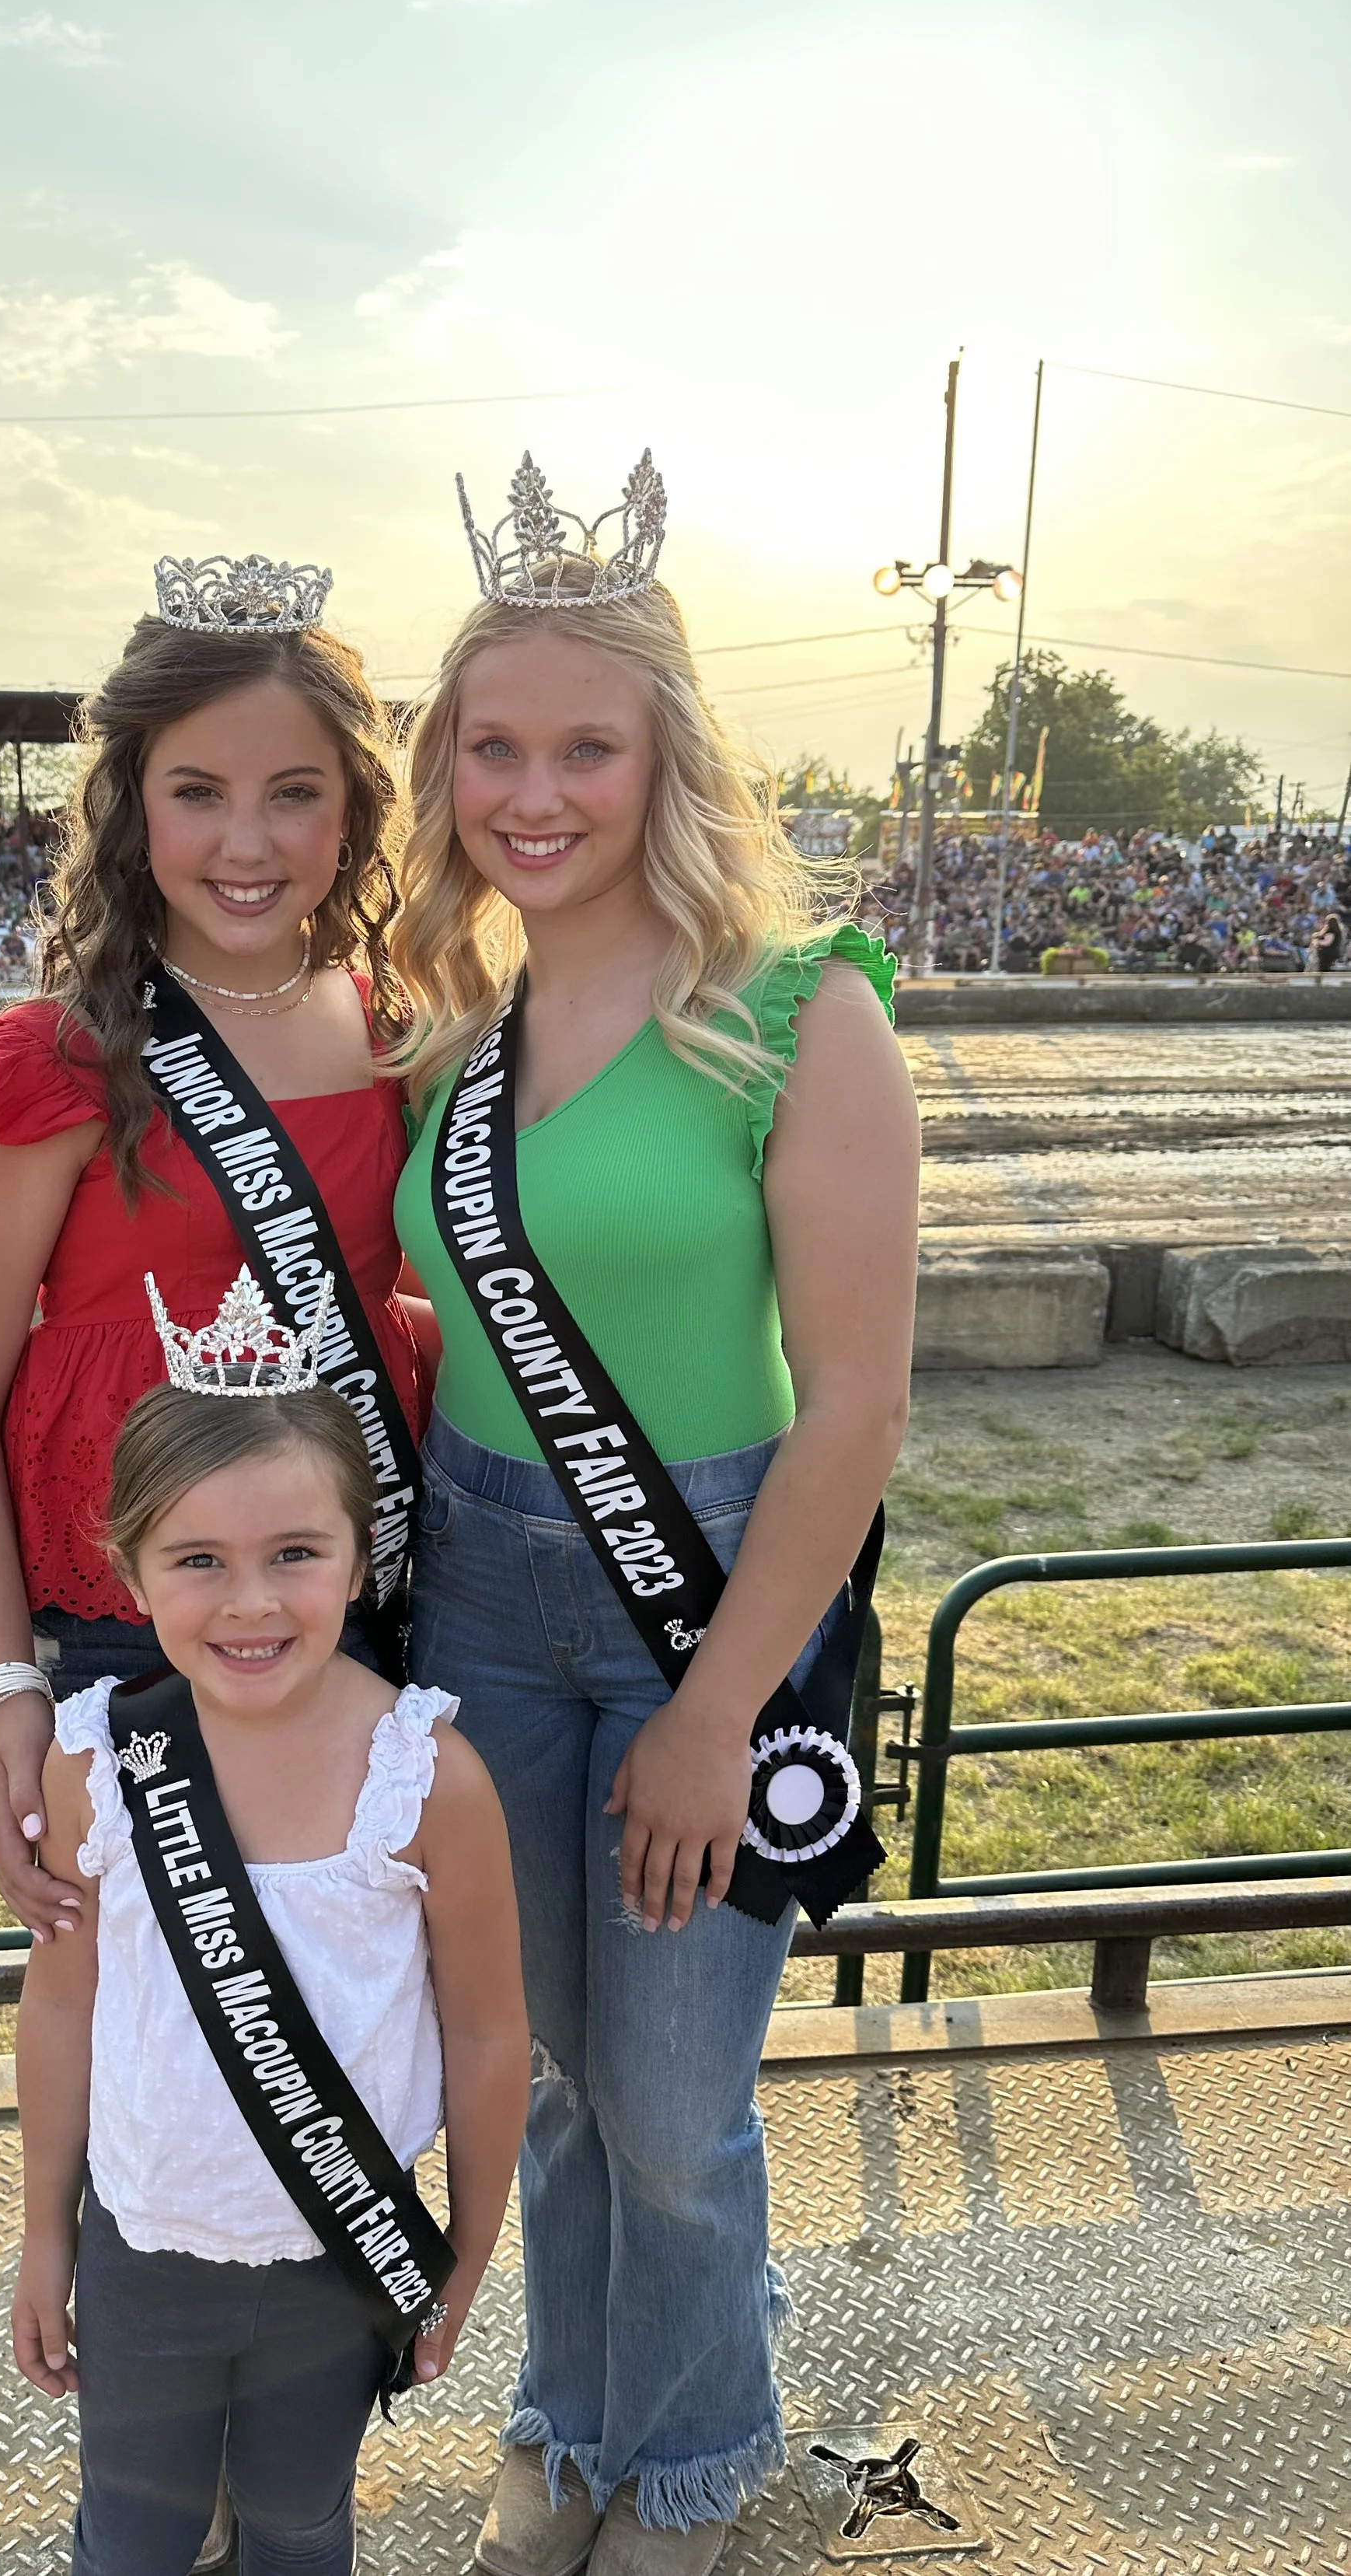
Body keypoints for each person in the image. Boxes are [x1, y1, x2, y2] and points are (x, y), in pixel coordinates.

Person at [387, 456, 920, 2574]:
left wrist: (716, 1706)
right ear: (443, 769)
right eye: (491, 746)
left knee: (683, 2108)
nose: (535, 790)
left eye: (582, 746)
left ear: (663, 757)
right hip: (476, 1601)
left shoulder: (805, 1013)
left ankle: (700, 2463)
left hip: (713, 1596)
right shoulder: (450, 1028)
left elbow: (859, 1403)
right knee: (540, 2079)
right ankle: (572, 2422)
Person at [0, 551, 428, 1957]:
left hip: (377, 1592)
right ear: (130, 807)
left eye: (294, 792)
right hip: (136, 1622)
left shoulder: (411, 1032)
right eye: (199, 793)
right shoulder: (57, 1066)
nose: (248, 841)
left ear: (354, 805)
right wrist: (5, 1685)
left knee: (358, 2020)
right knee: (156, 2036)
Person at [10, 1310, 528, 2576]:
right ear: (127, 1574)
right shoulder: (99, 1762)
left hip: (336, 2260)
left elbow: (486, 2028)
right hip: (142, 2246)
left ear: (362, 1561)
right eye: (198, 1560)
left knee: (300, 2526)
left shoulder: (428, 1777)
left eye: (295, 1552)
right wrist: (41, 2234)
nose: (251, 1603)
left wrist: (465, 2253)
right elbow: (64, 1998)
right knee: (133, 2534)